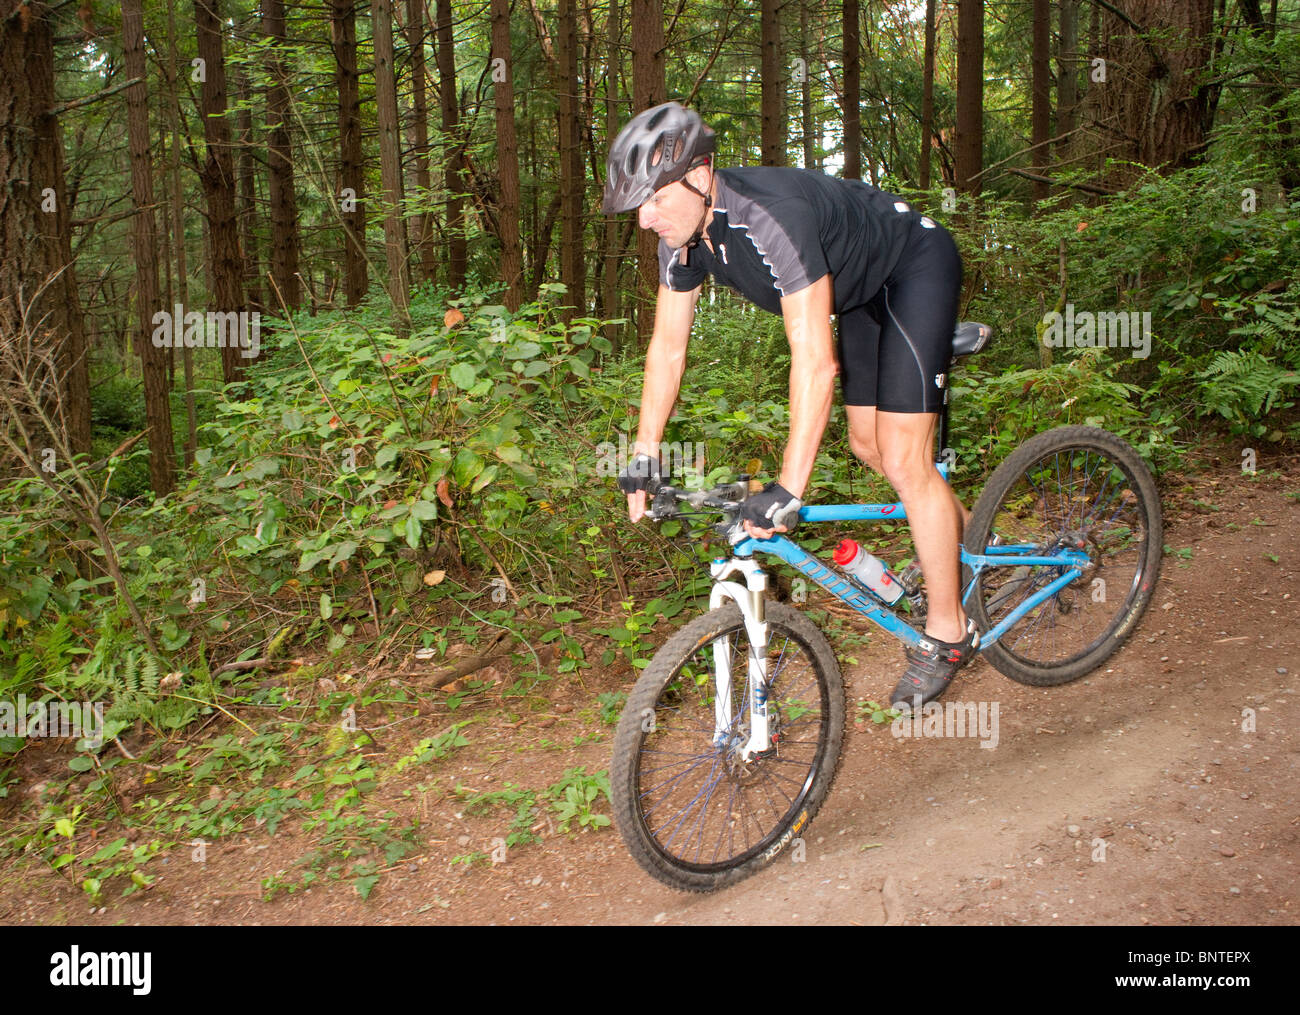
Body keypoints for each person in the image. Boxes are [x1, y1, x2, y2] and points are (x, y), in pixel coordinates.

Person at [605, 101, 979, 711]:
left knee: (907, 461)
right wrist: (646, 452)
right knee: (868, 446)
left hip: (913, 264)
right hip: (858, 293)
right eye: (636, 206)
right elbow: (667, 349)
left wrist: (788, 488)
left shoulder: (769, 216)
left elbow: (814, 361)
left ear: (699, 177)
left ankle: (948, 632)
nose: (644, 219)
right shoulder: (681, 241)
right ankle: (960, 553)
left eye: (653, 199)